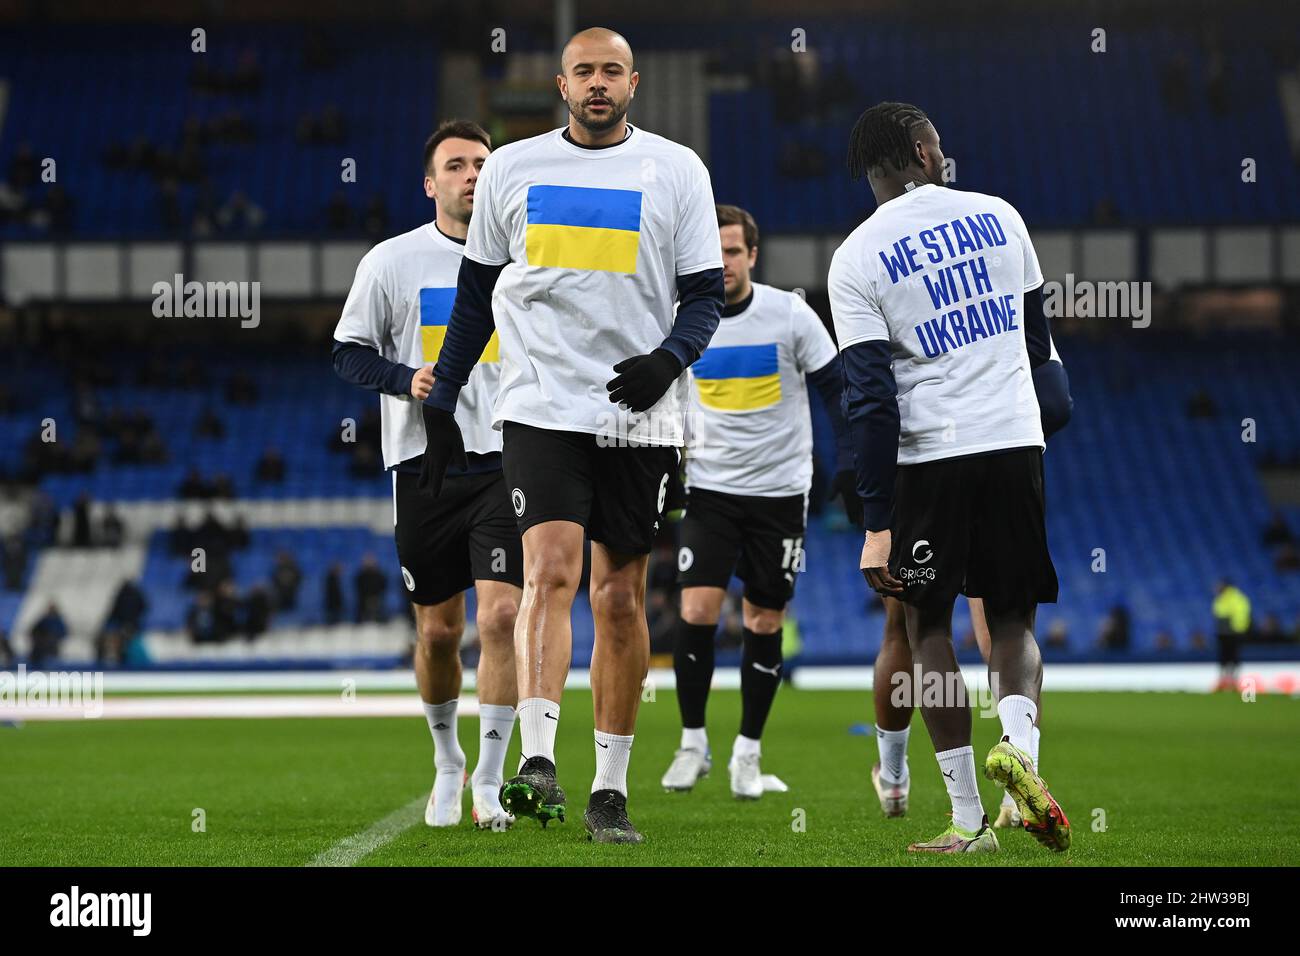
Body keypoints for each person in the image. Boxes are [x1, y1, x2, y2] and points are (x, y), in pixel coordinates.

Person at [421, 28, 724, 843]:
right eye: (584, 71)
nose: (598, 84)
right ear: (561, 85)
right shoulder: (513, 170)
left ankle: (611, 794)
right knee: (548, 571)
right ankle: (540, 760)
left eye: (612, 72)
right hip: (542, 408)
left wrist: (668, 361)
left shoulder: (677, 169)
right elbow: (476, 297)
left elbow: (703, 298)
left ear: (635, 82)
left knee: (619, 596)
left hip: (642, 415)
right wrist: (444, 395)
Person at [829, 101, 1068, 853]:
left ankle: (968, 822)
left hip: (929, 456)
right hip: (1012, 442)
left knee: (928, 628)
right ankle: (1020, 754)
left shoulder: (856, 258)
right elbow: (1040, 353)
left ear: (871, 171)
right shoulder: (1001, 216)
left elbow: (868, 400)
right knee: (1013, 617)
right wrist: (1029, 427)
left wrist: (876, 522)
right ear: (926, 151)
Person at [333, 120, 522, 829]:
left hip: (508, 458)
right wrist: (402, 377)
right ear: (430, 183)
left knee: (501, 616)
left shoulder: (524, 259)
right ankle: (449, 758)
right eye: (457, 165)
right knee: (440, 633)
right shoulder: (392, 261)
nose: (471, 175)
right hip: (423, 465)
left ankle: (493, 777)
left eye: (481, 164)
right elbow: (347, 353)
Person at [661, 204, 857, 798]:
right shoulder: (682, 319)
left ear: (752, 255)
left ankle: (748, 754)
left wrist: (849, 469)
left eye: (733, 250)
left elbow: (837, 390)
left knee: (763, 619)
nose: (722, 262)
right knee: (695, 612)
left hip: (778, 495)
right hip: (711, 492)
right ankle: (692, 743)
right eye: (713, 251)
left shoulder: (790, 314)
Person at [869, 343, 1072, 828]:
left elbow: (867, 397)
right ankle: (1020, 765)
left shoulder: (888, 277)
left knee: (912, 631)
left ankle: (909, 782)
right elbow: (1059, 401)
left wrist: (873, 507)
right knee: (1007, 624)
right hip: (1009, 452)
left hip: (923, 466)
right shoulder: (1001, 288)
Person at [1212, 579, 1250, 691]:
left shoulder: (1235, 598)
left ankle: (1232, 681)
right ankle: (1225, 681)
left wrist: (1238, 629)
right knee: (1225, 657)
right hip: (1224, 631)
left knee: (1232, 656)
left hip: (1232, 632)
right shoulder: (1222, 598)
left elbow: (1240, 614)